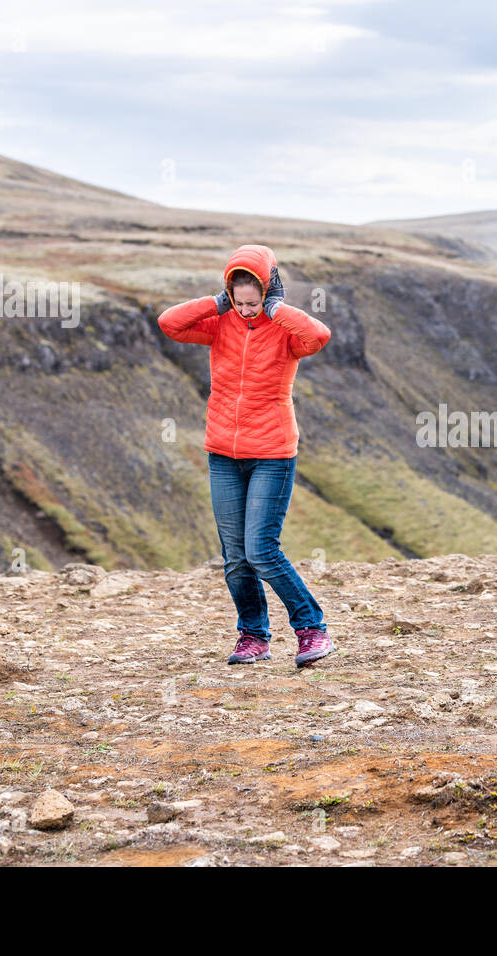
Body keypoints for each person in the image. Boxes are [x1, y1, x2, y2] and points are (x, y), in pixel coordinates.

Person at [157, 244, 336, 668]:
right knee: (235, 558)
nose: (247, 310)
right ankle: (253, 636)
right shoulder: (221, 323)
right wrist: (217, 305)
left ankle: (312, 629)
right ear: (229, 295)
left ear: (269, 291)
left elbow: (319, 336)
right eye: (239, 302)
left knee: (261, 550)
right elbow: (169, 323)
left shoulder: (284, 329)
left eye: (254, 302)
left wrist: (276, 308)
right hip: (223, 453)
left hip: (272, 453)